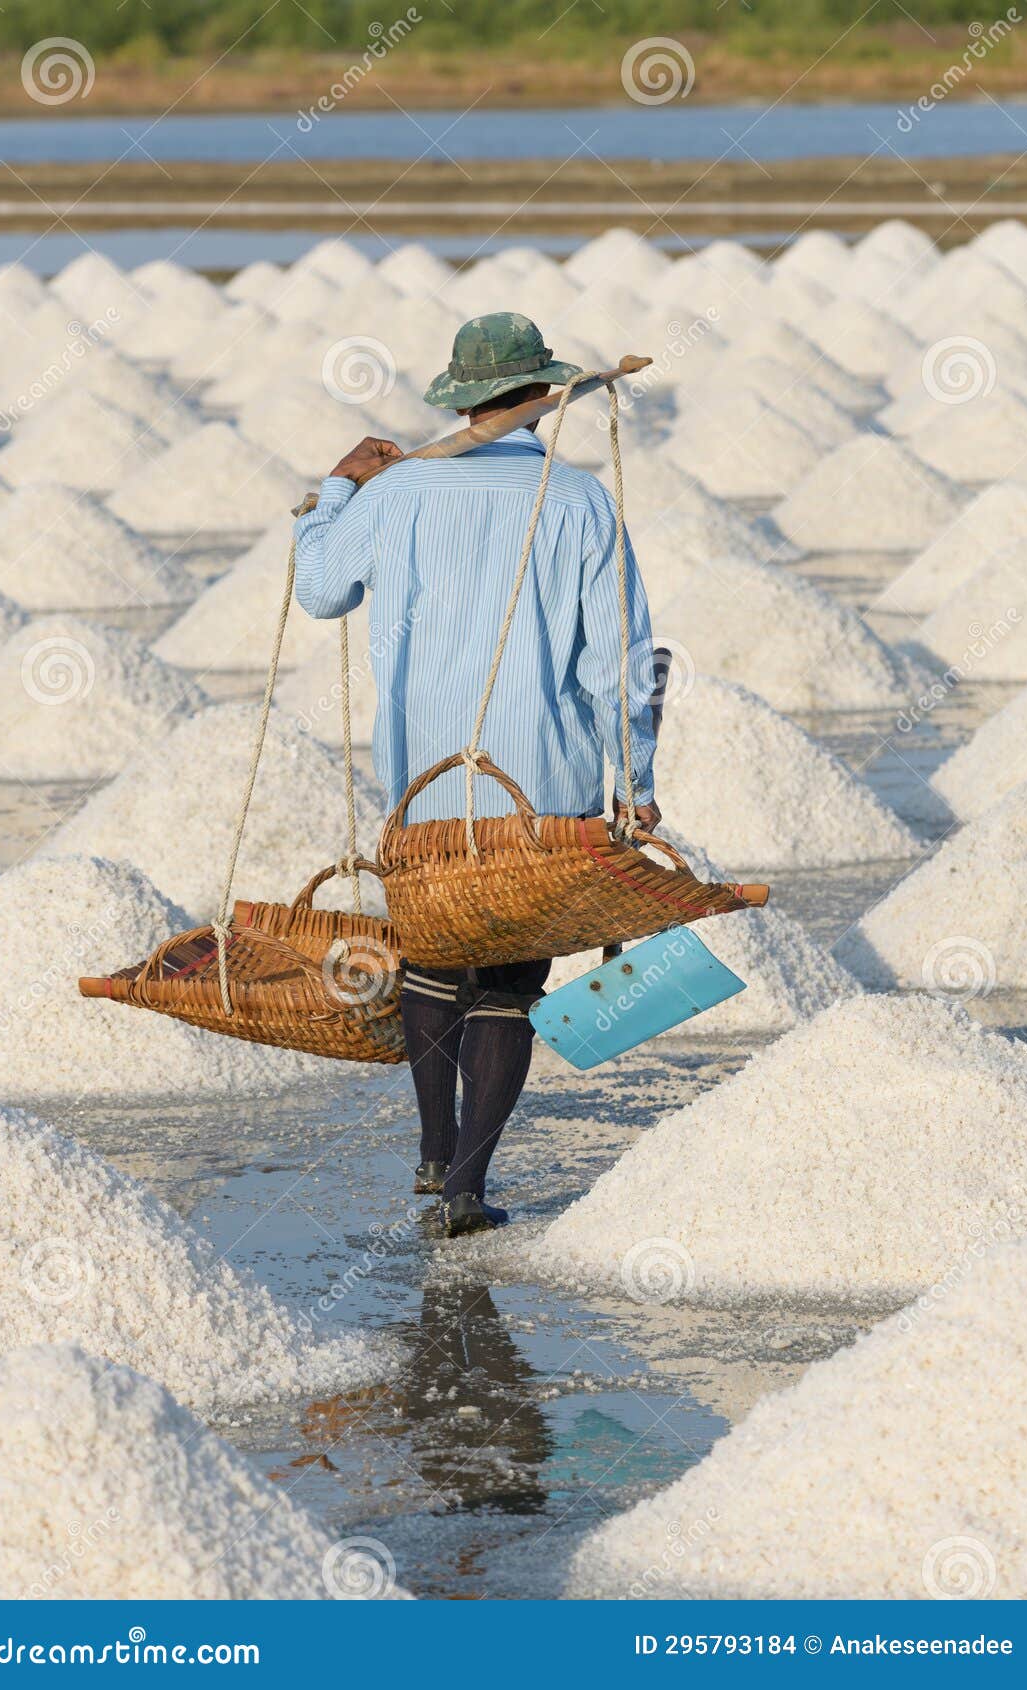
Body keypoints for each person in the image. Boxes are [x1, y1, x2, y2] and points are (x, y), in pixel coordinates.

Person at [293, 312, 659, 1238]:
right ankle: (464, 1182)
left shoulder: (397, 492)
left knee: (430, 959)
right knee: (505, 978)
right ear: (542, 399)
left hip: (423, 779)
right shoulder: (574, 501)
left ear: (461, 399)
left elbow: (321, 590)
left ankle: (431, 1147)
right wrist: (639, 776)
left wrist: (339, 489)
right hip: (539, 789)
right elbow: (622, 659)